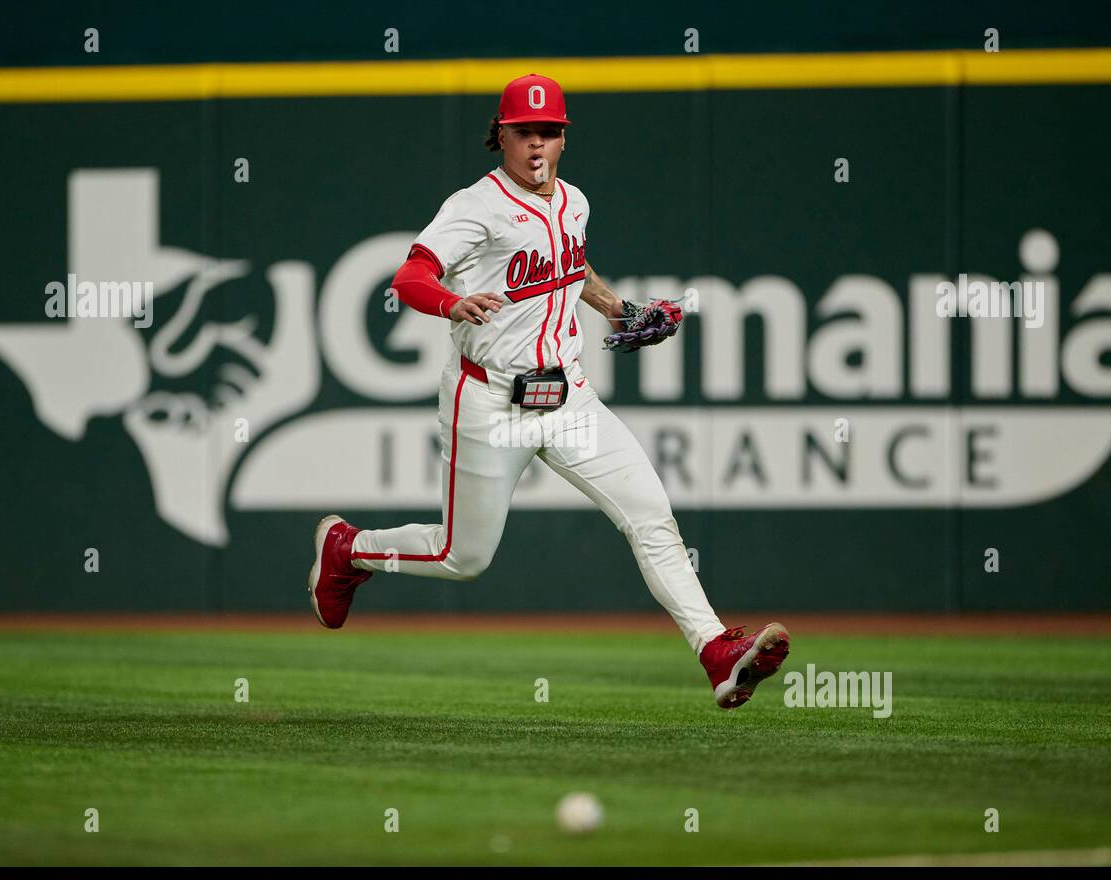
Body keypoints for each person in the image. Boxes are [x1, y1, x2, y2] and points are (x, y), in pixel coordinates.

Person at [308, 73, 789, 709]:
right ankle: (349, 549)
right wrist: (452, 301)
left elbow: (570, 265)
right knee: (463, 557)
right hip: (488, 400)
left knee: (652, 518)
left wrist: (619, 309)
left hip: (570, 399)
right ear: (501, 135)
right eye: (526, 132)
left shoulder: (574, 201)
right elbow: (410, 275)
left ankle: (715, 652)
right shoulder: (473, 207)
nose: (538, 145)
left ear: (564, 139)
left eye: (550, 132)